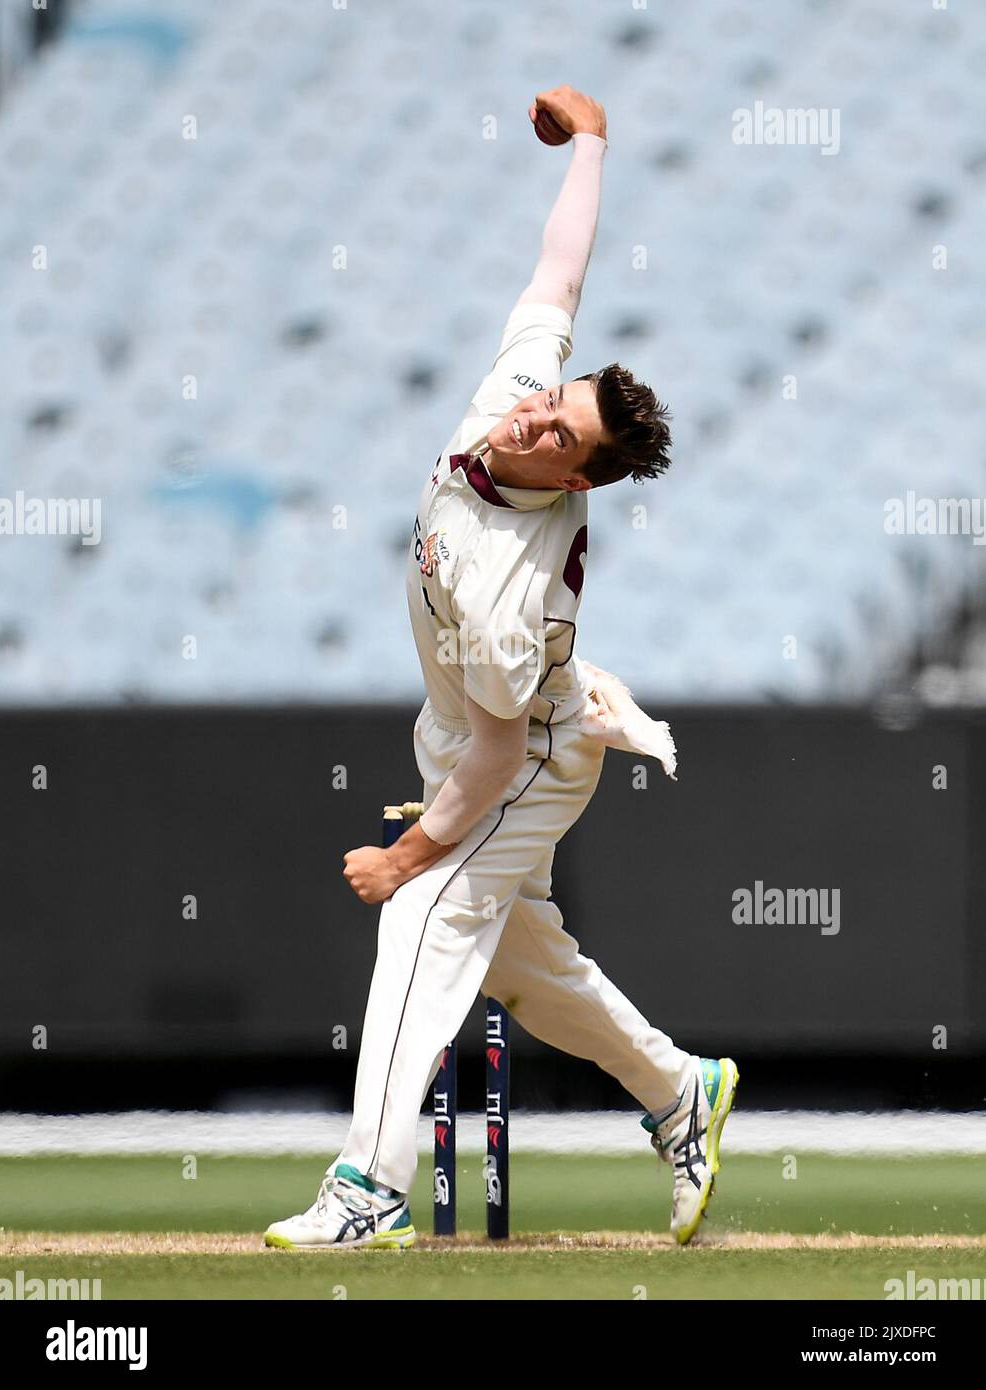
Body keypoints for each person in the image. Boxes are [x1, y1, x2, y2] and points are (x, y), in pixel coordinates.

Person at [265, 86, 737, 1251]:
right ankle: (681, 1089)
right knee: (527, 972)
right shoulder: (519, 393)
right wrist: (592, 144)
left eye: (559, 437)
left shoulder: (511, 588)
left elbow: (490, 750)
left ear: (575, 480)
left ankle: (367, 1189)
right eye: (548, 405)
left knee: (425, 913)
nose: (530, 423)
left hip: (523, 748)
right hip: (466, 727)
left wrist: (406, 854)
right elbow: (560, 273)